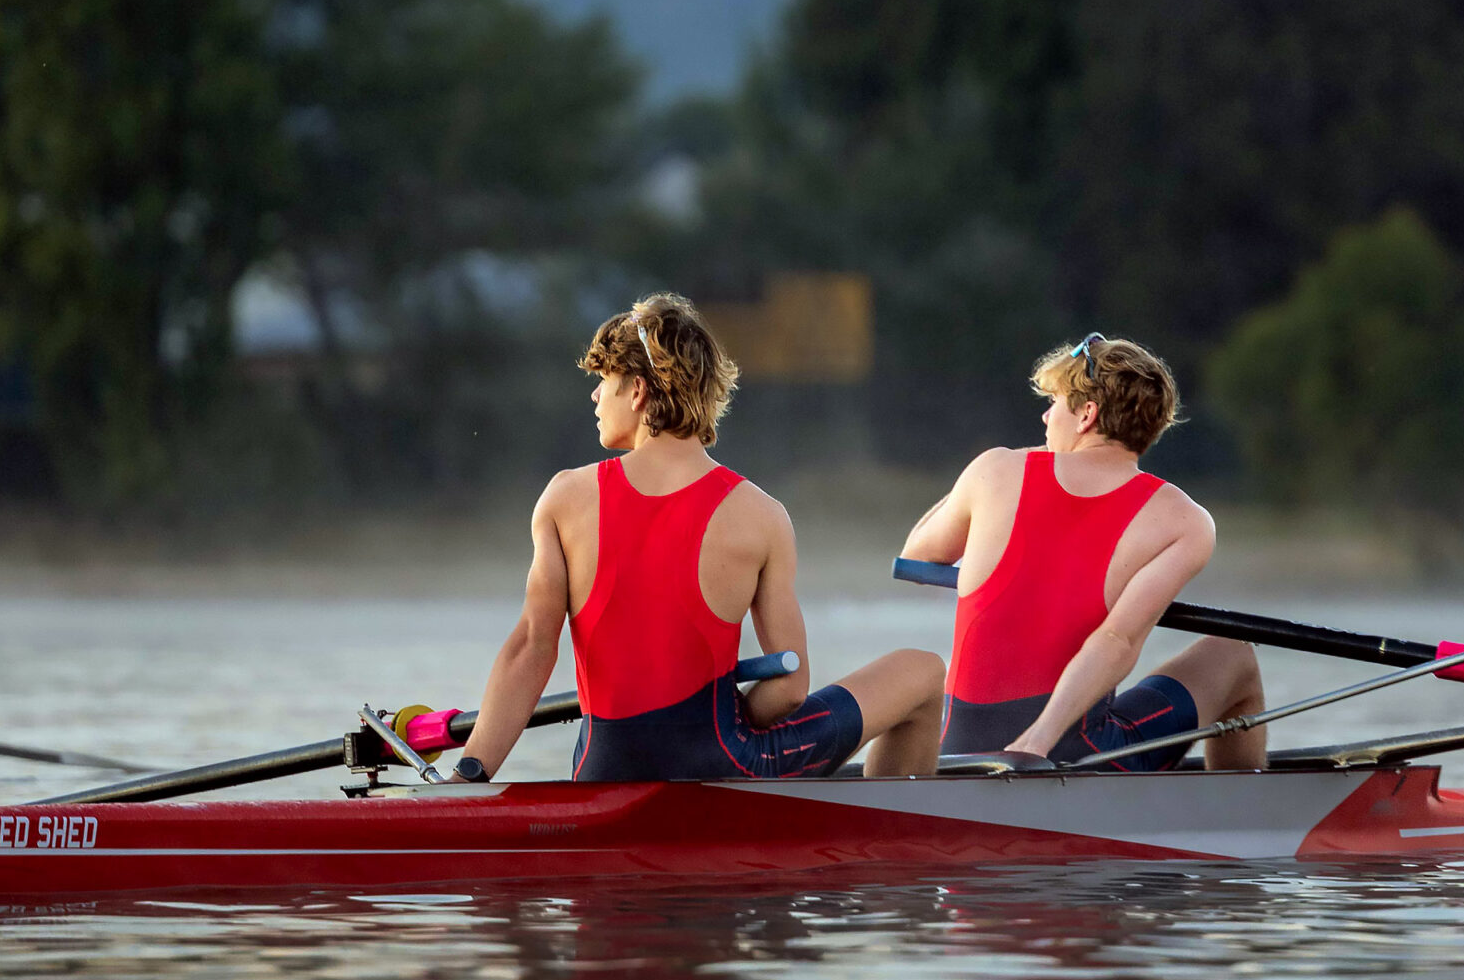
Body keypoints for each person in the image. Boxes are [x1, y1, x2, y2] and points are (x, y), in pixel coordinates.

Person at [447, 292, 942, 784]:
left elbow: (532, 649)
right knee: (923, 671)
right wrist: (716, 722)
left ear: (637, 391)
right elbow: (790, 690)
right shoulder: (762, 515)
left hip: (604, 773)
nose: (595, 396)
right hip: (724, 767)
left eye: (605, 381)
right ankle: (886, 833)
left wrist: (470, 774)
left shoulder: (564, 498)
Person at [899, 333, 1265, 770]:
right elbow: (1116, 640)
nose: (1045, 415)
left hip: (957, 748)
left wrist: (1012, 464)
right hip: (1071, 754)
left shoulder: (994, 469)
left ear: (1086, 414)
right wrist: (1035, 743)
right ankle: (1232, 820)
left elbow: (917, 557)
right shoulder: (1185, 521)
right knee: (1234, 654)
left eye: (1054, 402)